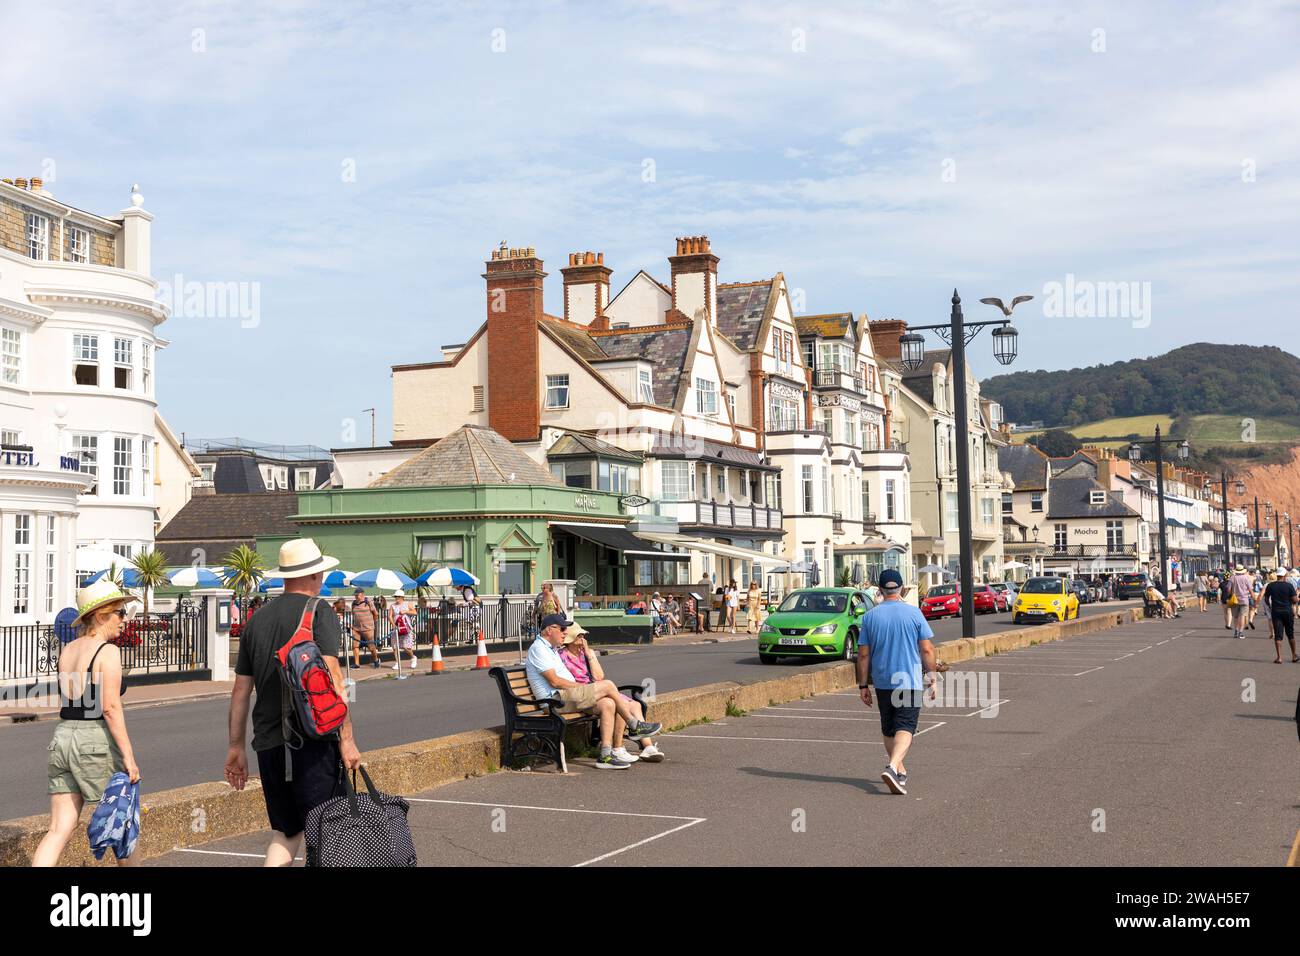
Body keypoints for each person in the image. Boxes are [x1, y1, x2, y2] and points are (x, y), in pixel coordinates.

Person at [225, 538, 362, 867]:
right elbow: (333, 678)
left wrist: (236, 748)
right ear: (314, 575)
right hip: (313, 745)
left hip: (270, 746)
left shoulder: (256, 621)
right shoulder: (318, 611)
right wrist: (348, 741)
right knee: (327, 832)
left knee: (287, 831)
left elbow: (241, 691)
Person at [33, 580, 143, 867]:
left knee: (58, 829)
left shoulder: (68, 651)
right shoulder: (107, 652)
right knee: (123, 824)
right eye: (119, 612)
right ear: (100, 615)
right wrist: (129, 759)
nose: (124, 619)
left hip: (63, 736)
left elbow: (73, 698)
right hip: (94, 739)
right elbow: (109, 708)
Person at [525, 614, 661, 769]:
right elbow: (554, 681)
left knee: (608, 704)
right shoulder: (539, 648)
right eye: (562, 628)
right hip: (554, 700)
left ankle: (605, 756)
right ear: (550, 630)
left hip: (565, 696)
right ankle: (634, 725)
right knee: (608, 685)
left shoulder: (551, 649)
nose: (565, 632)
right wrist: (582, 688)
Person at [857, 570, 937, 795]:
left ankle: (899, 771)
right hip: (908, 679)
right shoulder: (914, 613)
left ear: (880, 590)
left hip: (882, 681)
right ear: (901, 588)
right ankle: (893, 767)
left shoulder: (870, 617)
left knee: (889, 727)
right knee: (906, 725)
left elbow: (863, 654)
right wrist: (932, 677)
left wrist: (863, 685)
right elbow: (927, 648)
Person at [559, 622, 664, 763]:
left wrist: (590, 654)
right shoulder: (562, 656)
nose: (583, 639)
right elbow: (591, 681)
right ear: (570, 639)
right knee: (621, 703)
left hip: (597, 689)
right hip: (584, 693)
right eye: (579, 636)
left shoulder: (586, 654)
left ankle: (648, 747)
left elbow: (598, 676)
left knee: (635, 705)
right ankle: (618, 747)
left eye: (583, 635)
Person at [1262, 568, 1299, 664]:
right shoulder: (1289, 586)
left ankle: (1279, 657)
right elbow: (1295, 600)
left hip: (1276, 612)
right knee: (1290, 634)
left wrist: (1270, 607)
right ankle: (1294, 655)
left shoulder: (1271, 585)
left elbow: (1266, 599)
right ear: (1285, 576)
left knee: (1278, 635)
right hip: (1287, 611)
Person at [350, 588, 380, 668]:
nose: (356, 597)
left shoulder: (369, 602)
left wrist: (373, 623)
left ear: (362, 594)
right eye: (355, 595)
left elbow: (375, 613)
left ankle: (376, 660)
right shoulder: (354, 603)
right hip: (356, 628)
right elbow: (353, 613)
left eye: (357, 595)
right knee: (355, 645)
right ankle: (357, 663)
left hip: (368, 627)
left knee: (371, 647)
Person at [388, 589, 418, 670]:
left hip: (406, 628)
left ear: (402, 597)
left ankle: (413, 657)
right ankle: (397, 662)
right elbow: (390, 616)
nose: (396, 598)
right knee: (395, 646)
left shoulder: (408, 604)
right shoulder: (392, 606)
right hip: (396, 628)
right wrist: (393, 624)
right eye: (395, 596)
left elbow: (415, 612)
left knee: (406, 647)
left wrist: (405, 611)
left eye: (398, 596)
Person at [1227, 564, 1254, 638]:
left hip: (1234, 599)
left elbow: (1228, 590)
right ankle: (1240, 633)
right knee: (1242, 616)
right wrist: (1253, 598)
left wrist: (1230, 594)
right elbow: (1250, 589)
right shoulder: (1246, 578)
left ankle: (1235, 632)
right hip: (1244, 599)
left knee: (1235, 617)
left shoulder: (1232, 578)